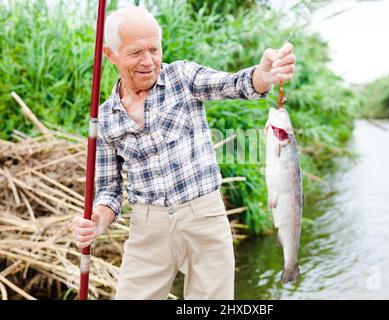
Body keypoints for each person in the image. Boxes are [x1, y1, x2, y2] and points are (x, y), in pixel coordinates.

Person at [71, 5, 296, 300]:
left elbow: (234, 84)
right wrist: (98, 219)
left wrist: (263, 76)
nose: (149, 61)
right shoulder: (104, 119)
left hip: (204, 219)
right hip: (147, 230)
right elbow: (110, 191)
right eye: (136, 52)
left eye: (154, 49)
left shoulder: (183, 77)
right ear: (110, 54)